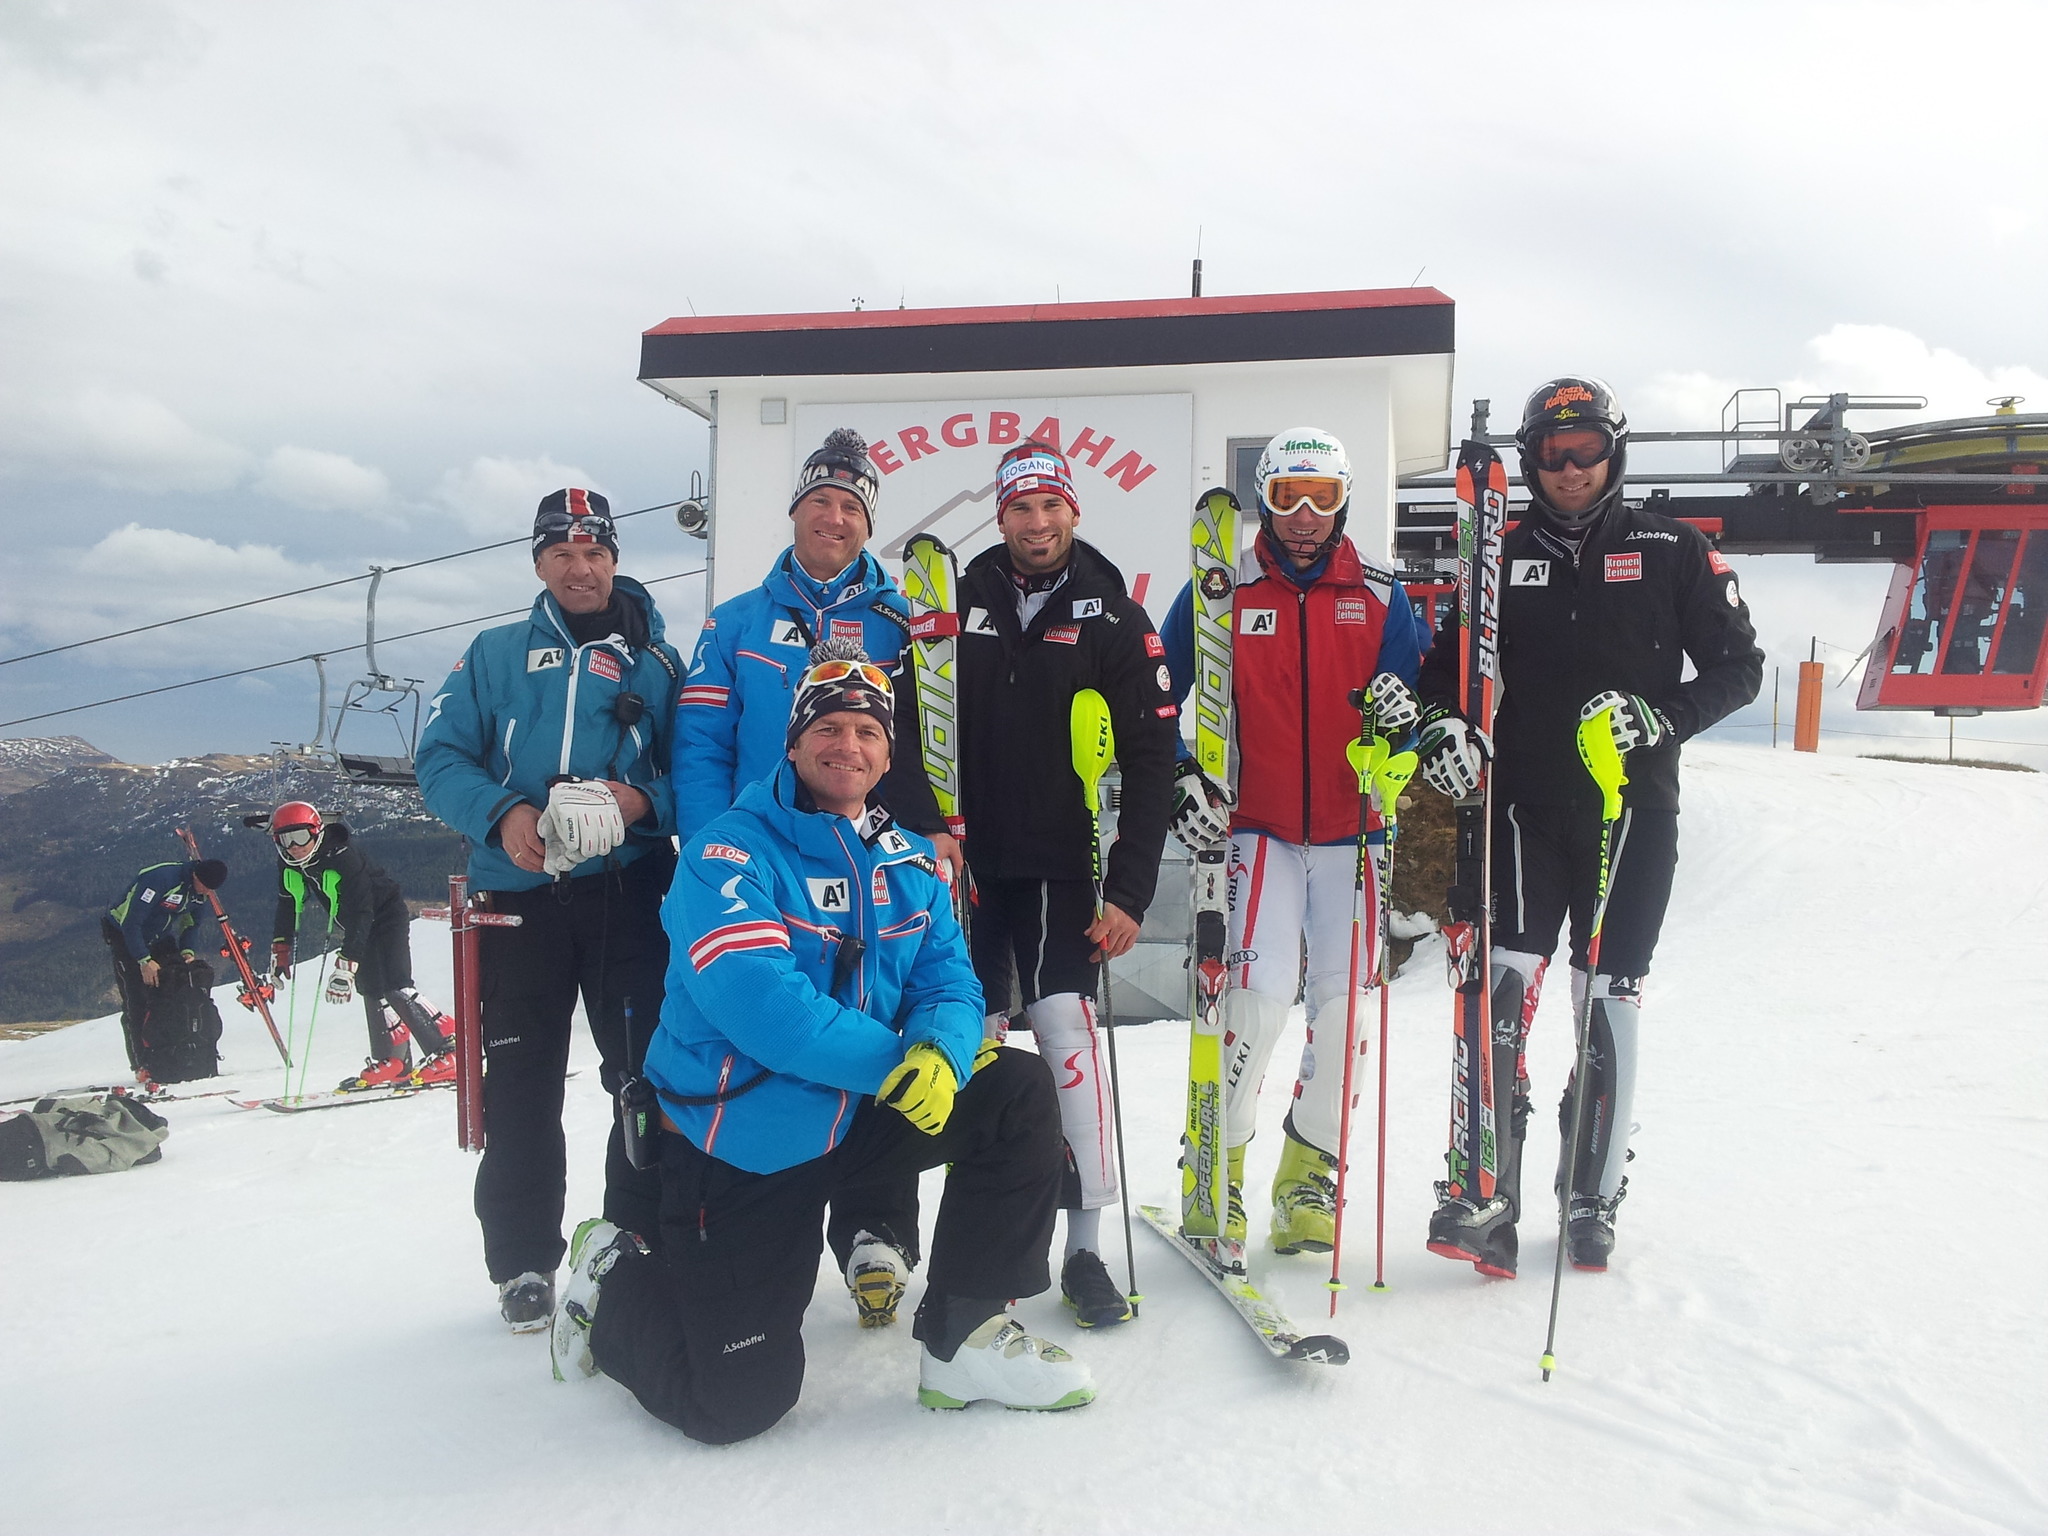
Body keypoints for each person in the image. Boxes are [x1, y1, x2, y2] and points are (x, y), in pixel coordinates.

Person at [549, 641, 1089, 1441]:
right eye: (829, 728)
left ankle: (964, 1337)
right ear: (795, 743)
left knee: (1015, 1091)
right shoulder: (727, 853)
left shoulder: (909, 862)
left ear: (888, 755)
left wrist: (940, 1052)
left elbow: (950, 982)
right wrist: (900, 1063)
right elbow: (765, 1008)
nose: (849, 746)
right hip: (744, 1137)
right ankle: (610, 1276)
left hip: (855, 1116)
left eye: (868, 733)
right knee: (735, 1402)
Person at [1413, 376, 1762, 1276]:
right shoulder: (1497, 553)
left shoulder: (1672, 547)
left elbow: (1740, 668)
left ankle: (1591, 1193)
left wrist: (1663, 718)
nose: (1569, 469)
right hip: (1523, 808)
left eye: (1587, 449)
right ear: (1530, 461)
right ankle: (1486, 1189)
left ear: (1615, 451)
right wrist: (1438, 724)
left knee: (1606, 996)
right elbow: (1444, 673)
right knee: (1502, 987)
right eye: (1551, 453)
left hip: (1630, 807)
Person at [674, 427, 959, 1327]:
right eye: (820, 502)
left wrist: (934, 831)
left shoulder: (900, 617)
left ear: (867, 524)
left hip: (869, 857)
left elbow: (932, 734)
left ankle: (878, 1230)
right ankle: (734, 1218)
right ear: (796, 512)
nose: (834, 518)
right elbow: (700, 743)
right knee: (765, 1023)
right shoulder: (736, 621)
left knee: (884, 1007)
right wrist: (708, 855)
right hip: (766, 856)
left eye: (851, 507)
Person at [415, 487, 683, 1332]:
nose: (580, 568)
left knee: (645, 1077)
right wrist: (503, 813)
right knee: (522, 1086)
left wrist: (642, 803)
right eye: (561, 553)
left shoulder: (657, 664)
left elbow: (696, 771)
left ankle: (639, 1235)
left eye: (595, 552)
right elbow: (439, 758)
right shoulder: (493, 654)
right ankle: (524, 1261)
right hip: (517, 900)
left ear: (614, 560)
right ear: (538, 563)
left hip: (626, 895)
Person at [1159, 428, 1425, 1255]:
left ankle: (1309, 1173)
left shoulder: (1382, 593)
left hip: (1356, 830)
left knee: (1347, 1011)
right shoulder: (1221, 588)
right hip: (1258, 829)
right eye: (1285, 498)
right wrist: (1177, 773)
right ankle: (1220, 1167)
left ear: (1344, 501)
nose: (1304, 516)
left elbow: (1415, 707)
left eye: (1322, 497)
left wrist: (1402, 723)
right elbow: (1154, 692)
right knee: (1254, 1000)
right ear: (1263, 502)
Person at [936, 439, 1179, 1327]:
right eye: (1019, 508)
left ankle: (1085, 1249)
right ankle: (988, 1252)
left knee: (1068, 1045)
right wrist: (927, 830)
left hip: (1060, 873)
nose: (1036, 523)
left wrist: (1130, 890)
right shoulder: (959, 600)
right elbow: (913, 724)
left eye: (1050, 506)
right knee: (973, 1051)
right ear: (999, 515)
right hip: (965, 870)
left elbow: (1151, 758)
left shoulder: (1113, 614)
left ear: (1073, 510)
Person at [260, 800, 458, 1092]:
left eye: (300, 836)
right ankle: (394, 1061)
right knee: (371, 989)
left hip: (385, 916)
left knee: (397, 985)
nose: (294, 847)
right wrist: (281, 949)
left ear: (316, 832)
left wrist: (347, 962)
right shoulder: (289, 861)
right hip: (356, 924)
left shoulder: (343, 857)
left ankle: (450, 1050)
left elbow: (362, 911)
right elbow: (288, 904)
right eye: (284, 839)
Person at [101, 856, 229, 1085]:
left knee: (176, 988)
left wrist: (187, 951)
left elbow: (192, 923)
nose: (206, 892)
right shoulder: (160, 879)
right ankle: (142, 1064)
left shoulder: (200, 893)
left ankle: (176, 1052)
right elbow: (131, 923)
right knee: (136, 999)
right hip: (124, 934)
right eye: (204, 886)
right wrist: (143, 960)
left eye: (211, 890)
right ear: (195, 876)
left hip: (160, 935)